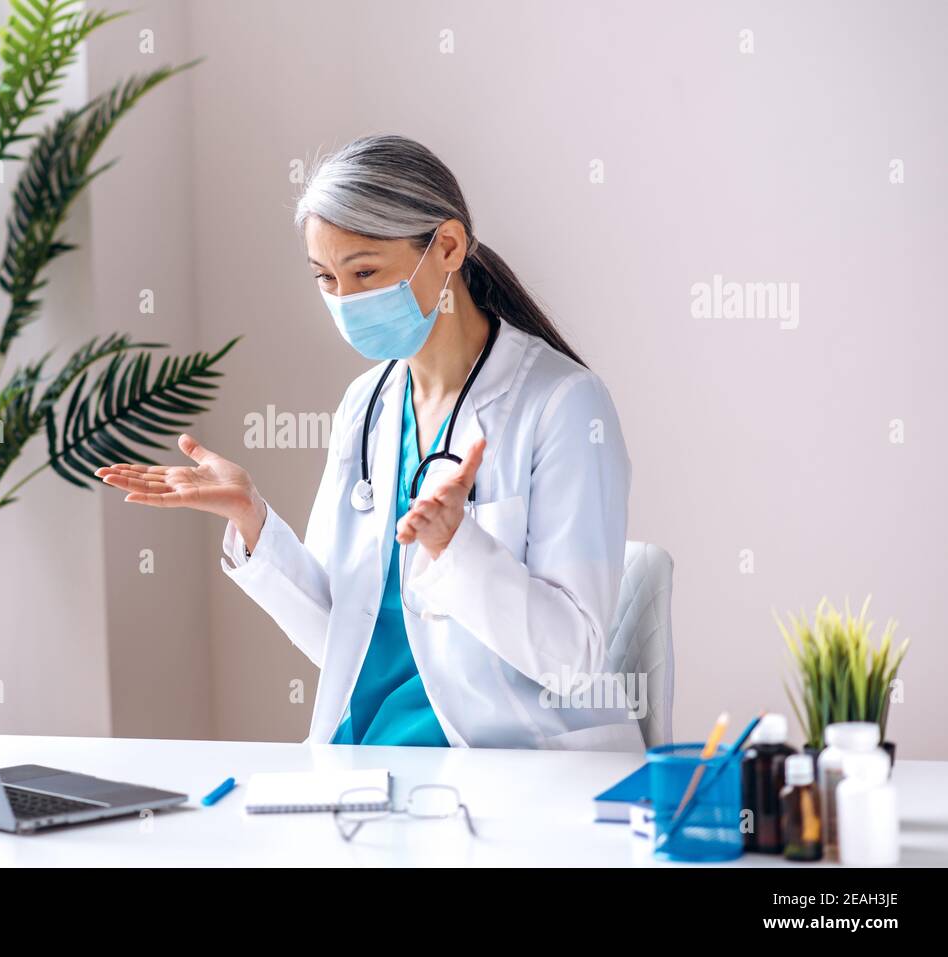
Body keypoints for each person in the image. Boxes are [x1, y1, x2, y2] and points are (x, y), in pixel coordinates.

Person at [97, 134, 642, 751]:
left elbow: (574, 661)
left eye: (365, 272)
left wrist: (455, 547)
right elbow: (344, 638)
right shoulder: (367, 405)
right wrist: (251, 519)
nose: (347, 301)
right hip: (372, 761)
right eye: (327, 278)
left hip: (507, 767)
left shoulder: (563, 404)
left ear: (448, 247)